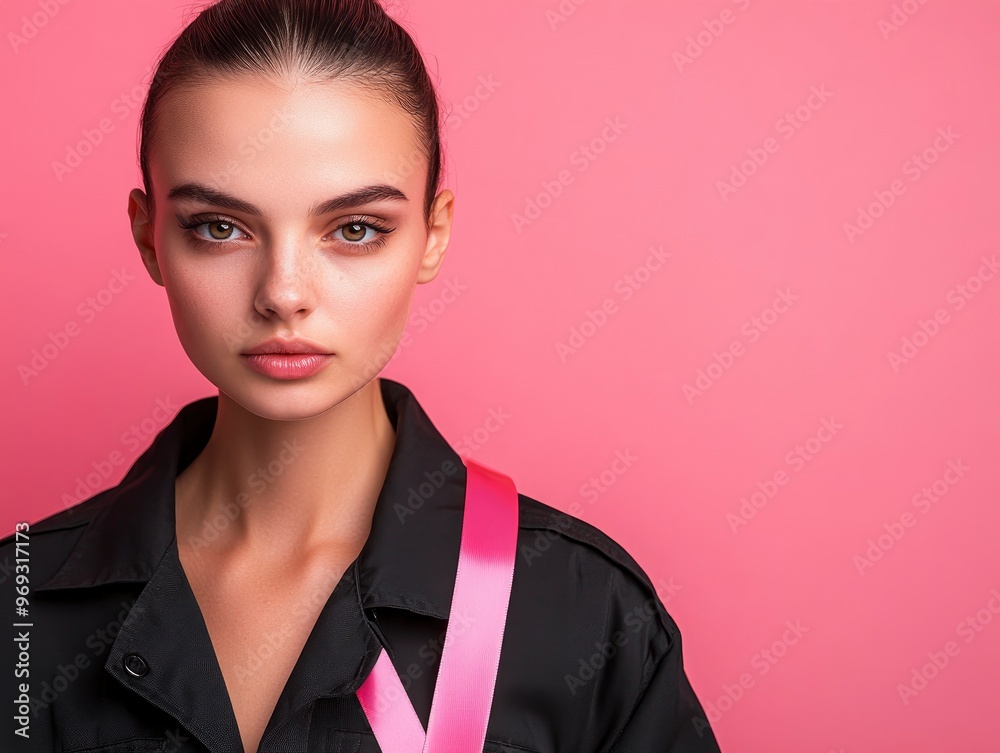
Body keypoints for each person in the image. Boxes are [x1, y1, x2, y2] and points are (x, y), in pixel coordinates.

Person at [0, 1, 722, 750]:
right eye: (220, 227)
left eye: (354, 229)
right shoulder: (18, 606)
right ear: (150, 236)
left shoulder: (585, 613)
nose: (283, 293)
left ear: (432, 234)